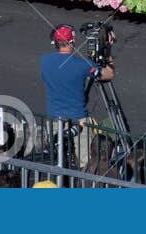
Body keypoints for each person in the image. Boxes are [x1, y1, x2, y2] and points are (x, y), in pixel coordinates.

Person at [40, 24, 114, 167]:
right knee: (86, 164)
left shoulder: (45, 61)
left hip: (54, 119)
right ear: (72, 42)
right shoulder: (83, 65)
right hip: (79, 120)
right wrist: (108, 49)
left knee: (57, 161)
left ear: (55, 42)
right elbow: (109, 74)